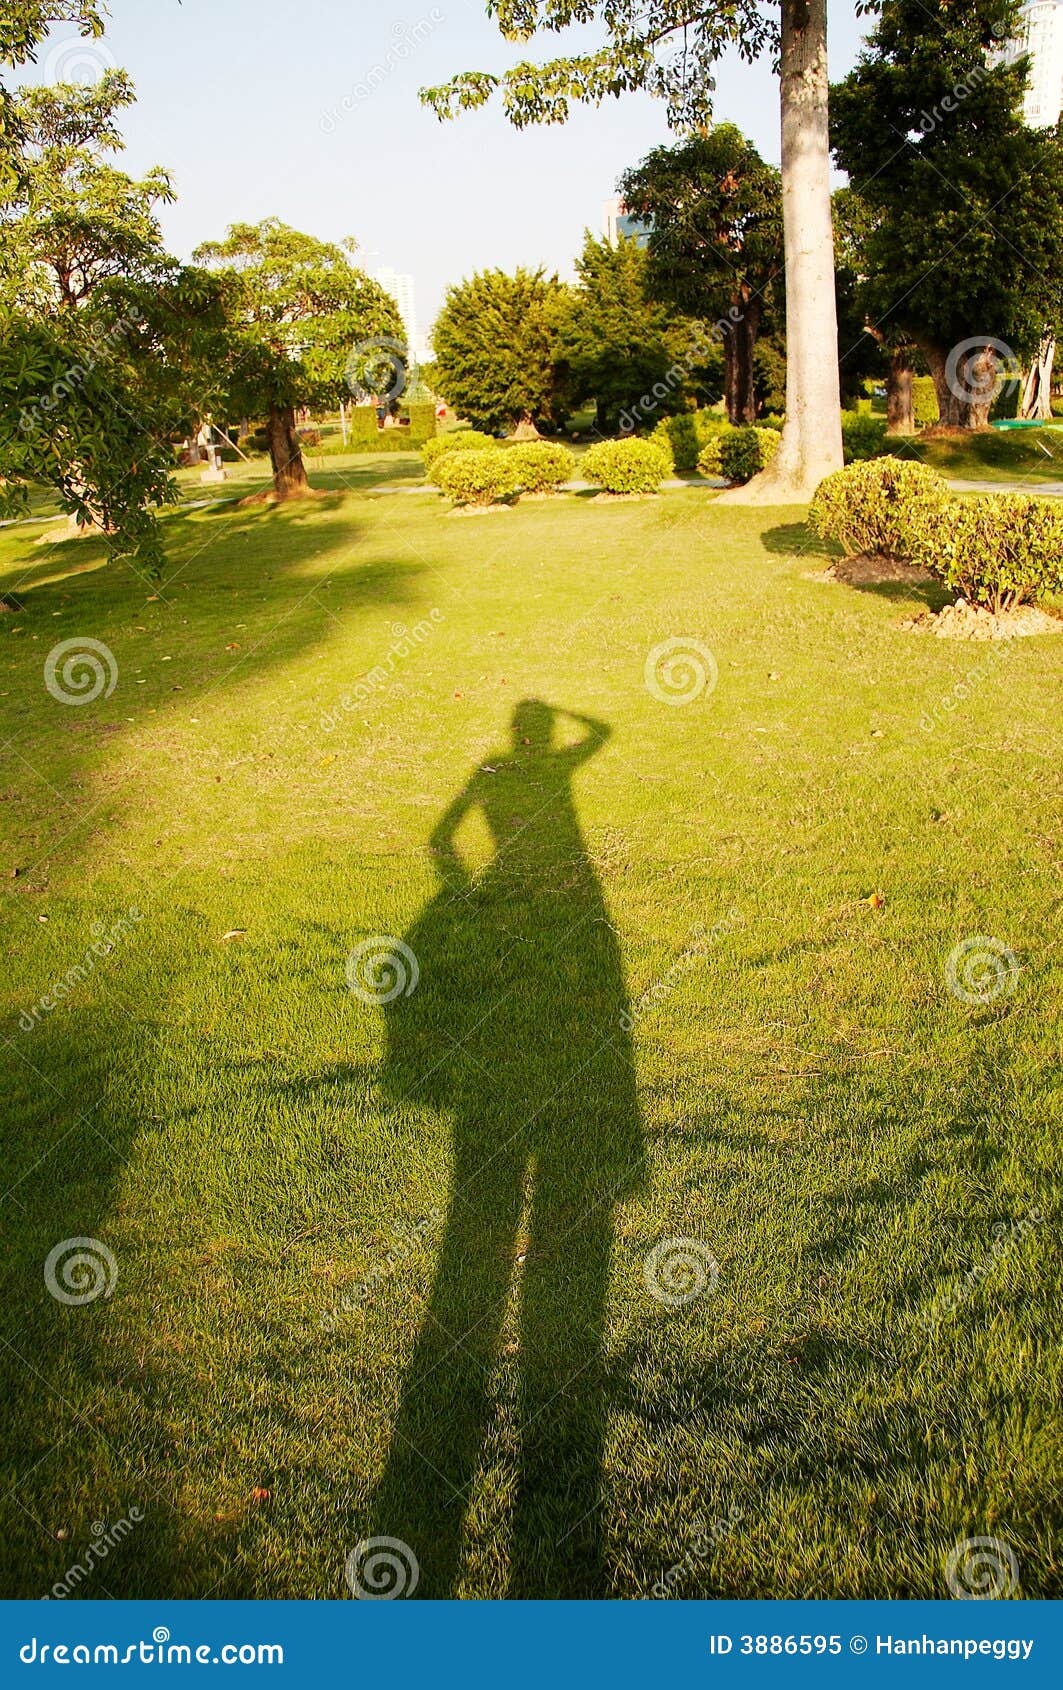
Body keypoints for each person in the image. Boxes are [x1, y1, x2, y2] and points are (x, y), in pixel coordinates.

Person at [368, 701, 645, 1596]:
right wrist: (566, 720)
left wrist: (456, 877)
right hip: (555, 889)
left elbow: (446, 834)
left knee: (484, 1210)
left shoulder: (501, 774)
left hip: (520, 888)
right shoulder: (533, 770)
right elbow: (596, 734)